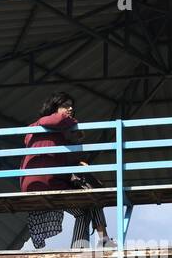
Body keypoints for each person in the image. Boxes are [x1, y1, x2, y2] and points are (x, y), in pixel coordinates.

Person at [20, 93, 114, 249]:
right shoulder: (42, 123)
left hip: (41, 182)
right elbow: (58, 119)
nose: (70, 109)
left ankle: (82, 248)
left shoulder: (49, 135)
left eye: (71, 106)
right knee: (92, 195)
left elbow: (62, 160)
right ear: (54, 107)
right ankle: (101, 240)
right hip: (45, 181)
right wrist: (74, 125)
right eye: (65, 105)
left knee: (84, 208)